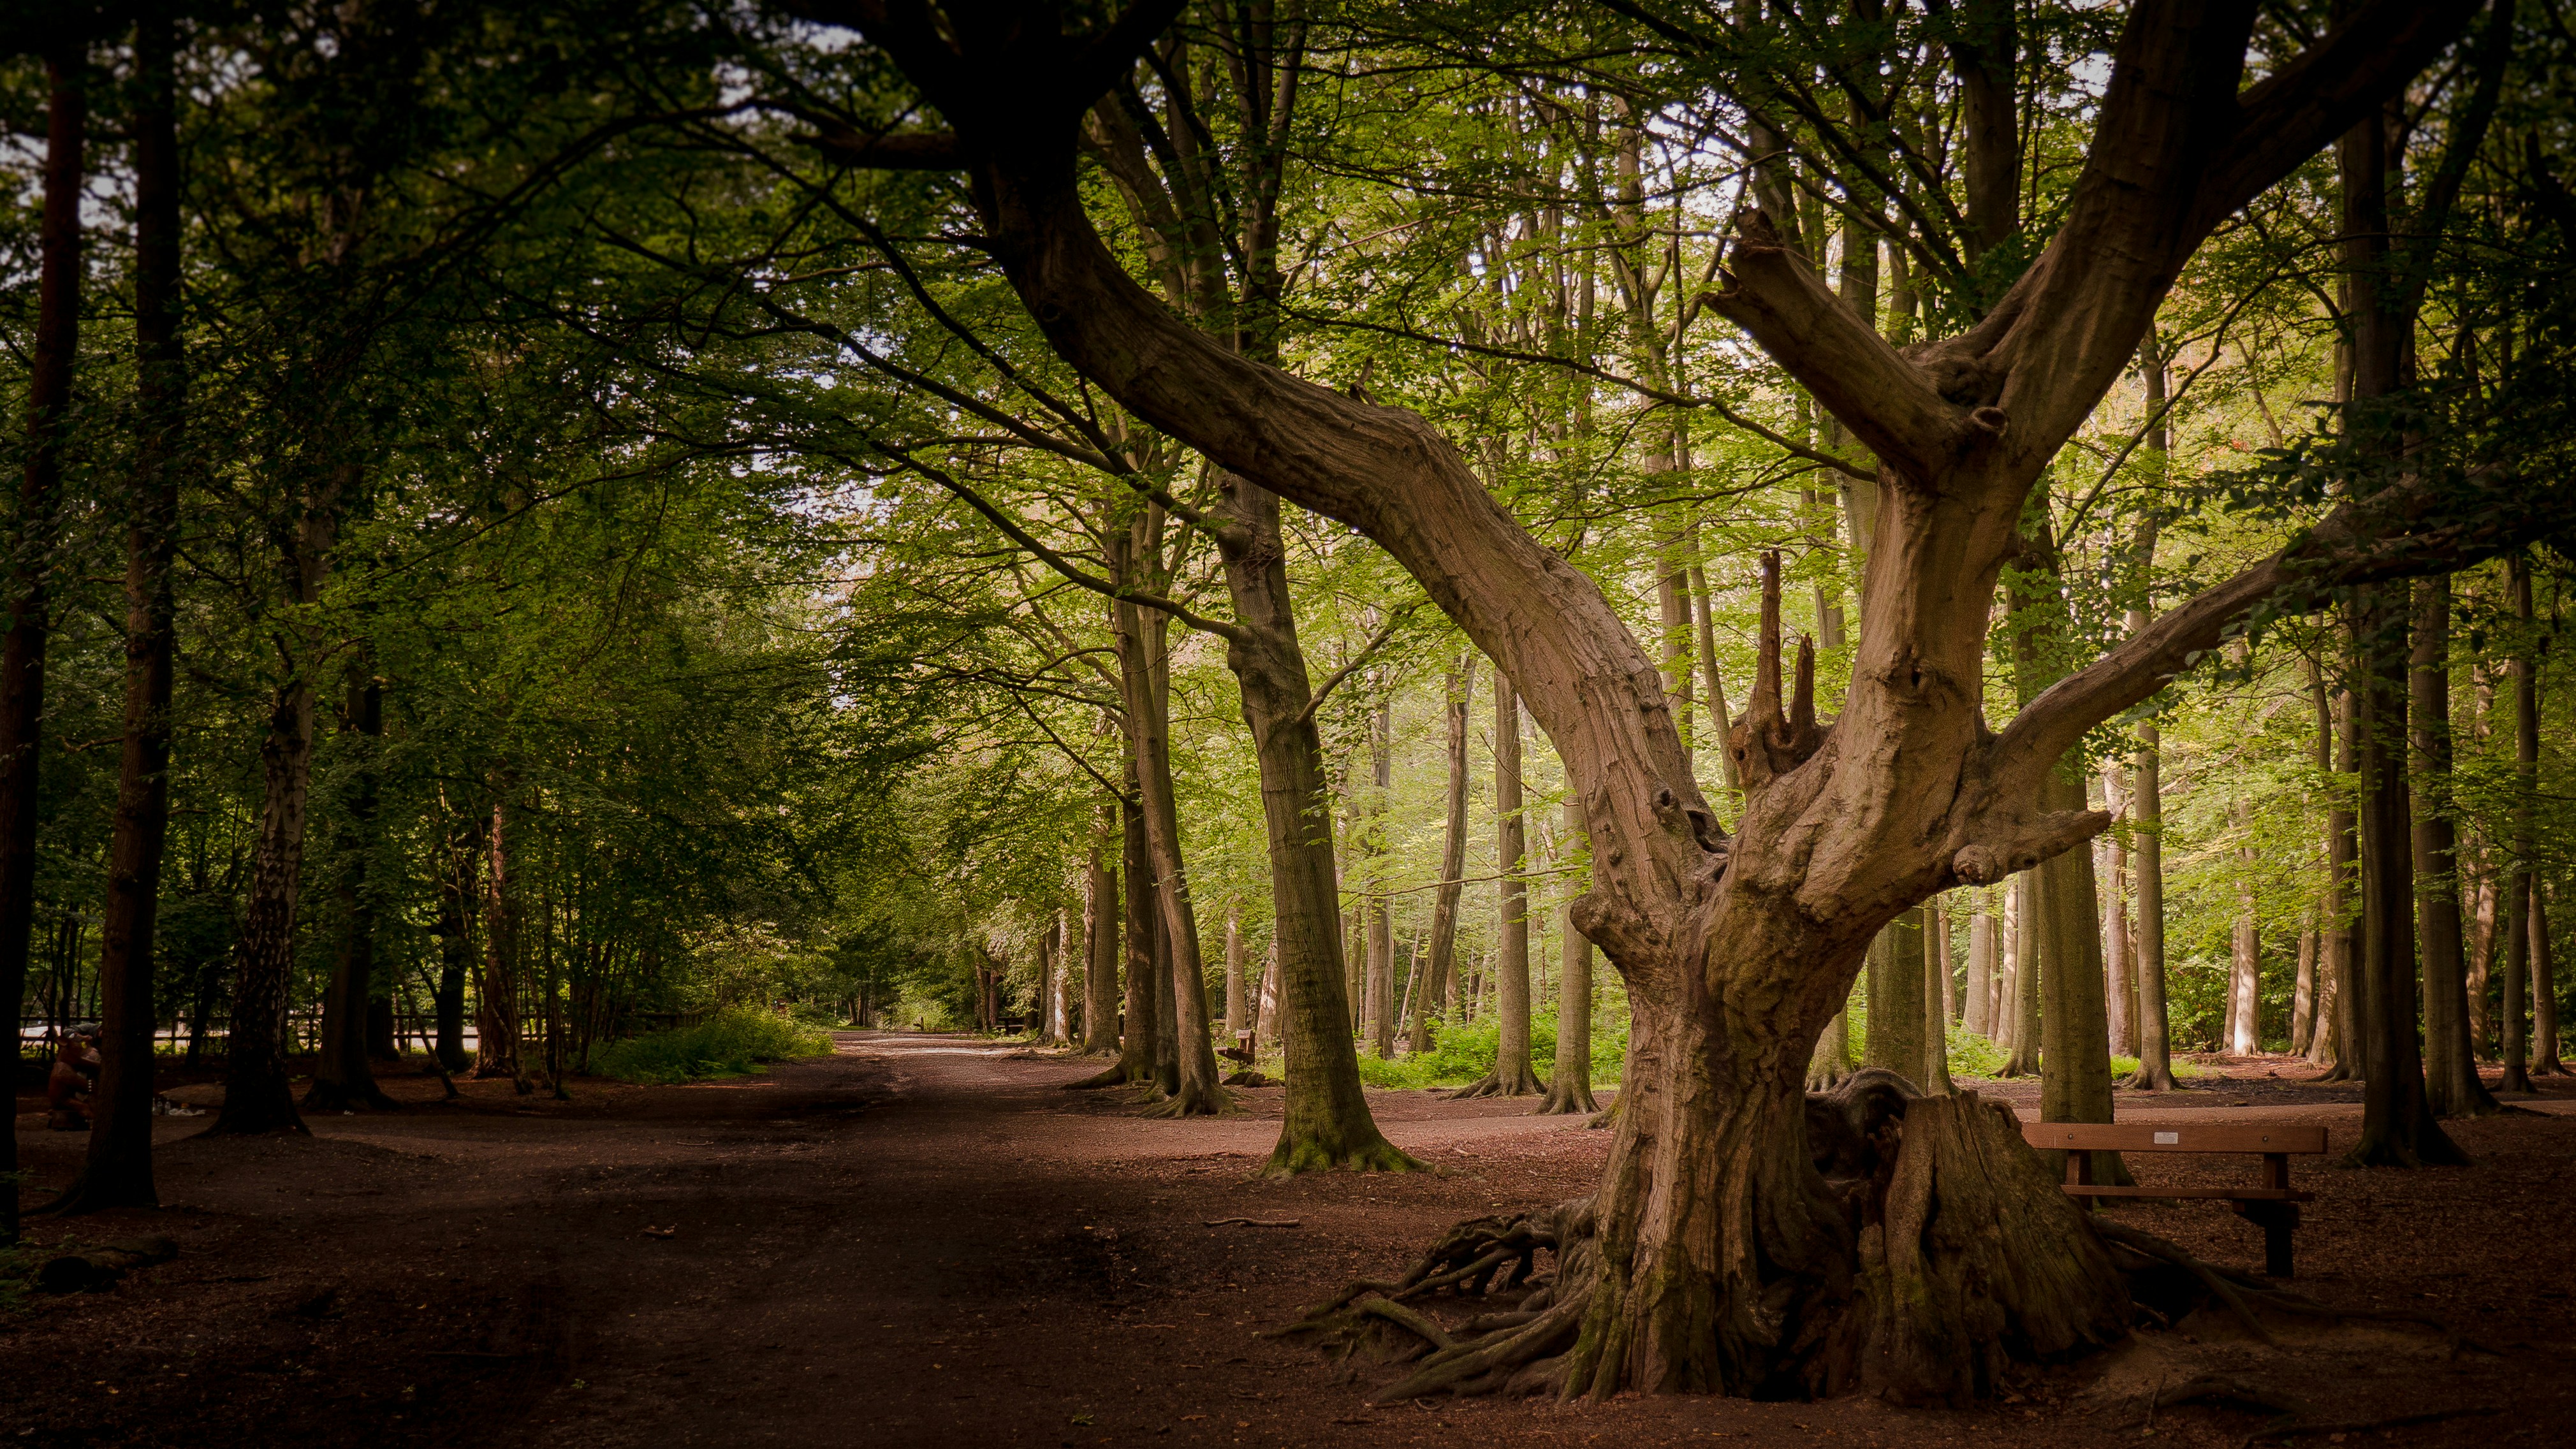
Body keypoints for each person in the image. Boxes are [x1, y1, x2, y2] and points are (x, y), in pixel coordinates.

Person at [45, 1028, 99, 1132]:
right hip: (64, 1099)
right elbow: (76, 1080)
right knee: (83, 1107)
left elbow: (82, 1054)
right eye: (82, 1044)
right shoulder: (62, 1068)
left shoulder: (72, 1062)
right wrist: (88, 1085)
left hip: (71, 1095)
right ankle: (92, 1118)